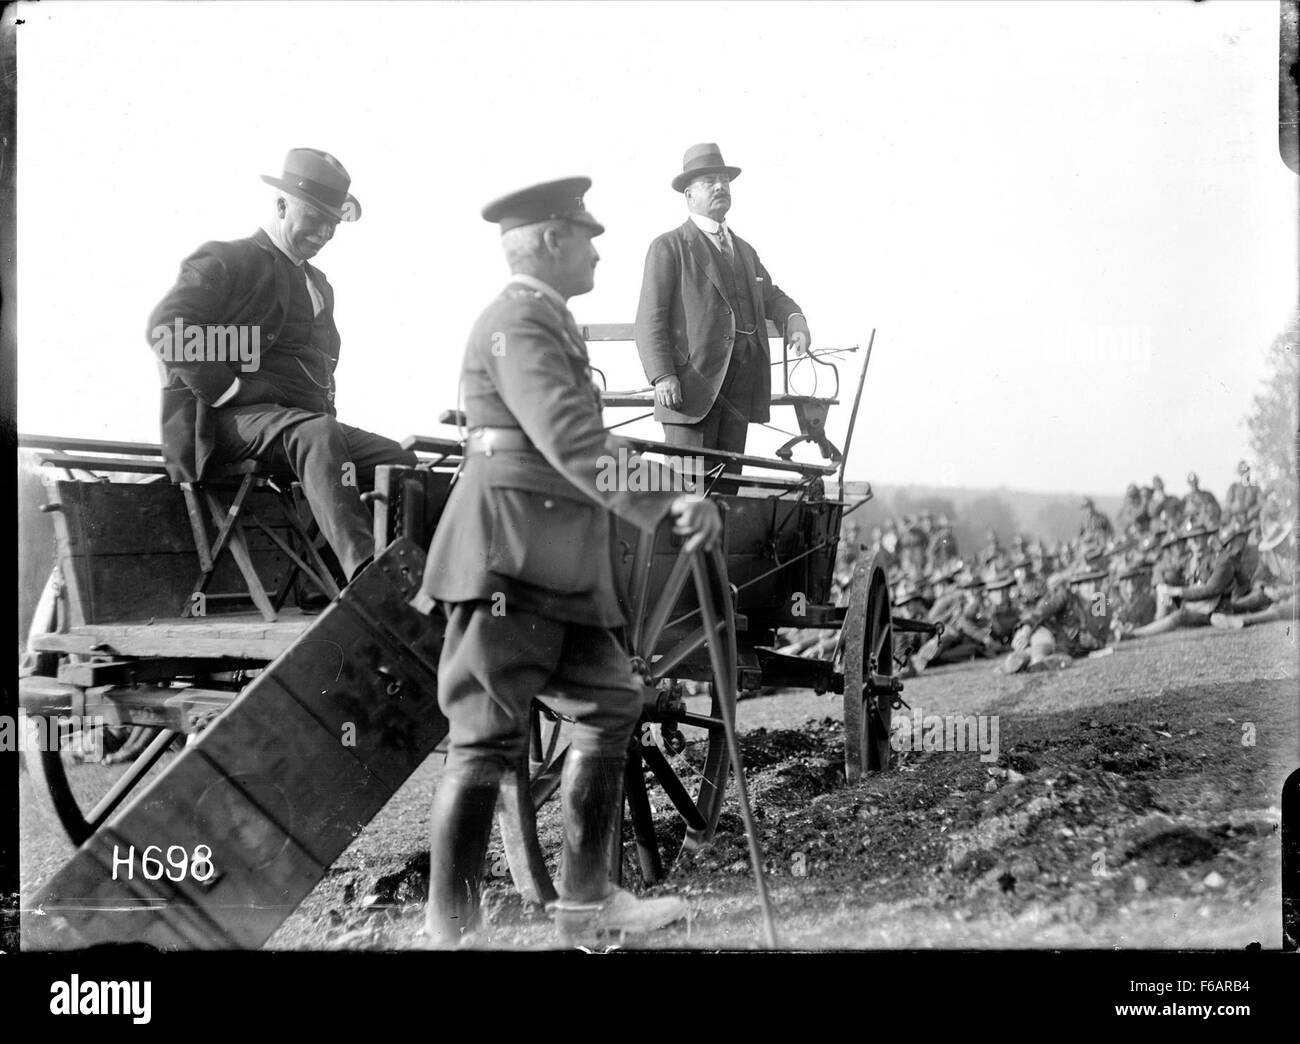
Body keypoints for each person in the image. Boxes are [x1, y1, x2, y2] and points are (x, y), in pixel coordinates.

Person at [418, 177, 722, 947]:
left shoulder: (546, 320)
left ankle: (587, 908)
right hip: (507, 561)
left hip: (557, 567)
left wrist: (664, 489)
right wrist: (666, 501)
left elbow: (583, 440)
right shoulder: (517, 322)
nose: (596, 248)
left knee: (612, 703)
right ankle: (449, 932)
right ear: (550, 240)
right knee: (484, 737)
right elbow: (572, 441)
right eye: (585, 235)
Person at [147, 148, 417, 585]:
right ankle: (369, 580)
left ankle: (389, 578)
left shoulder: (319, 284)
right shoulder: (224, 260)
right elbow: (169, 329)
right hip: (225, 424)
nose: (326, 231)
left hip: (300, 424)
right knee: (318, 434)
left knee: (398, 459)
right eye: (315, 216)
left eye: (333, 222)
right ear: (280, 204)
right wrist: (227, 390)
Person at [634, 143, 811, 479]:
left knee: (726, 491)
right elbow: (650, 319)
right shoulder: (669, 247)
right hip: (690, 393)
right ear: (689, 195)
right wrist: (663, 375)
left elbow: (771, 296)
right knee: (688, 494)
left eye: (724, 180)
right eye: (709, 181)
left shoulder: (745, 250)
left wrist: (795, 321)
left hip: (741, 390)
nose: (720, 186)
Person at [1132, 520, 1252, 636]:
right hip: (1195, 606)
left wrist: (1177, 591)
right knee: (1164, 589)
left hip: (1214, 609)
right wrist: (1160, 586)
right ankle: (1156, 621)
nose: (1194, 541)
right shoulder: (1190, 560)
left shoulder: (1220, 559)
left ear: (1207, 537)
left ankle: (1136, 634)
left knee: (1179, 616)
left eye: (1198, 536)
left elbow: (1211, 590)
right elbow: (1161, 569)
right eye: (1190, 538)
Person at [1002, 568, 1112, 672]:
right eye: (1086, 583)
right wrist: (1026, 628)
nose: (1091, 587)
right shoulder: (1065, 596)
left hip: (1064, 648)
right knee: (1043, 646)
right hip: (1046, 635)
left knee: (1058, 656)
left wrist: (1093, 643)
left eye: (1094, 582)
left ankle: (1026, 659)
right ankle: (1028, 660)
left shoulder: (1101, 606)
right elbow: (1042, 611)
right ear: (1077, 586)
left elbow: (1102, 639)